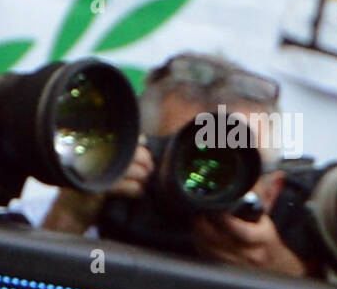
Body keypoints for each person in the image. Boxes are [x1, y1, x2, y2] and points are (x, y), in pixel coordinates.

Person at [41, 52, 311, 277]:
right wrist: (71, 216)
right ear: (134, 154)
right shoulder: (87, 208)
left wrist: (283, 275)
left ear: (272, 190)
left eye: (228, 164)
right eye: (188, 155)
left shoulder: (299, 241)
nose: (203, 179)